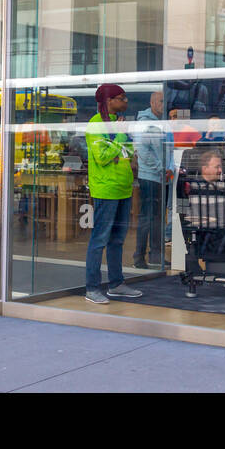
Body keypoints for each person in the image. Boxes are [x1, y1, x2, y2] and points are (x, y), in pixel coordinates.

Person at [83, 83, 142, 304]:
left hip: (123, 187)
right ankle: (92, 288)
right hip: (105, 189)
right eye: (122, 98)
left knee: (117, 240)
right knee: (100, 239)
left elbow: (126, 152)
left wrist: (120, 141)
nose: (125, 102)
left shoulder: (119, 124)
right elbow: (103, 157)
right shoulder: (95, 125)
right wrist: (119, 136)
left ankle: (116, 284)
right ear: (109, 101)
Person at [129, 90, 168, 269]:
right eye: (160, 101)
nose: (163, 104)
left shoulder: (161, 122)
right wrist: (161, 169)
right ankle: (139, 257)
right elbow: (144, 152)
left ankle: (155, 255)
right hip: (151, 177)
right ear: (152, 103)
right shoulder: (146, 123)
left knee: (158, 218)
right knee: (147, 218)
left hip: (160, 177)